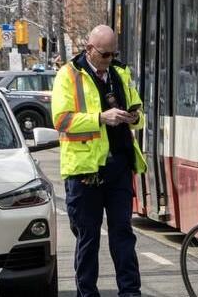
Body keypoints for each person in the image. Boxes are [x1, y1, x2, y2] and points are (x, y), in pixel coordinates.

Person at [51, 25, 147, 297]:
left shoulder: (120, 73)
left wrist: (134, 117)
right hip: (86, 172)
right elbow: (61, 120)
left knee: (123, 235)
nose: (109, 59)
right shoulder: (68, 76)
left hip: (118, 167)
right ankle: (87, 293)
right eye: (105, 54)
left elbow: (140, 111)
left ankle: (130, 293)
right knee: (88, 239)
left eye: (113, 53)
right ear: (89, 49)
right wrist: (100, 118)